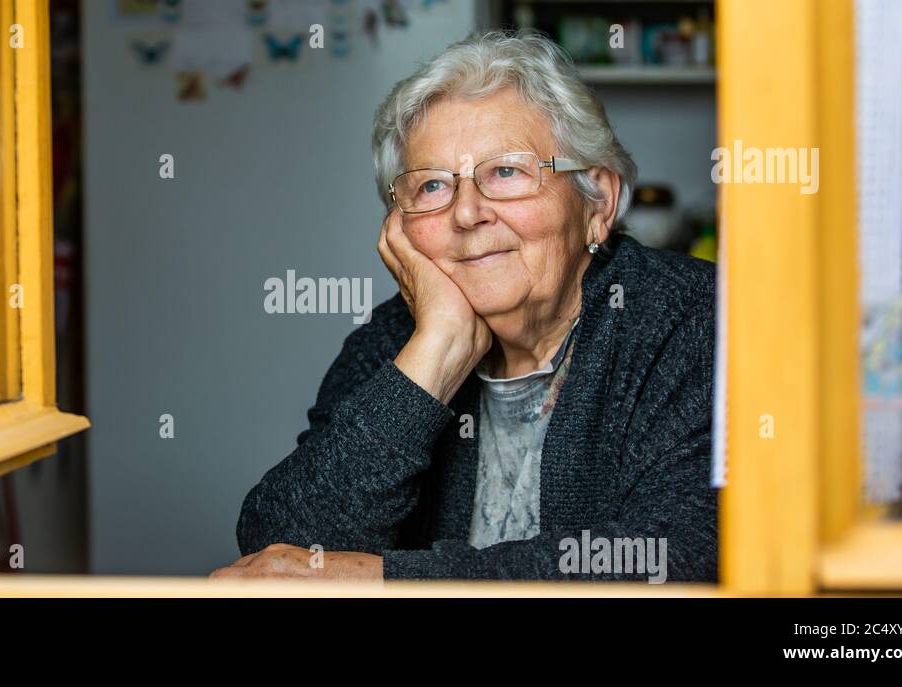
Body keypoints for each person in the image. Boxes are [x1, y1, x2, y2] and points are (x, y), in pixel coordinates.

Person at [217, 31, 718, 582]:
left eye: (506, 172)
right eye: (432, 186)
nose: (466, 213)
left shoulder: (693, 317)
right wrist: (437, 352)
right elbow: (277, 554)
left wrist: (386, 582)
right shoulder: (397, 336)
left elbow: (676, 557)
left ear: (596, 201)